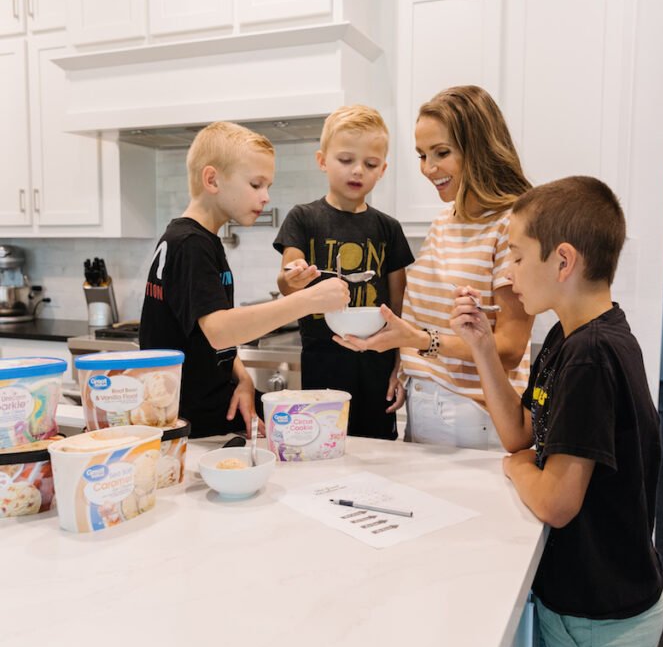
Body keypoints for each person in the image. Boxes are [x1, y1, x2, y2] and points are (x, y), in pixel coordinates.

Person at [450, 176, 663, 647]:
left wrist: (519, 471)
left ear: (562, 260)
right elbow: (521, 432)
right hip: (577, 604)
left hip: (598, 617)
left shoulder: (592, 359)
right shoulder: (566, 340)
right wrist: (484, 350)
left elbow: (556, 501)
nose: (508, 272)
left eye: (515, 255)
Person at [336, 85, 533, 449]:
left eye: (442, 152)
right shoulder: (445, 219)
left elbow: (509, 349)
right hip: (423, 401)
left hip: (473, 414)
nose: (429, 169)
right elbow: (425, 315)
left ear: (479, 148)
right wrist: (403, 363)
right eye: (422, 155)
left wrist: (420, 342)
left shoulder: (512, 225)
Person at [139, 121, 348, 438]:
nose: (265, 197)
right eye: (255, 184)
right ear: (212, 180)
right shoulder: (190, 244)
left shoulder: (200, 239)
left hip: (211, 411)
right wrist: (309, 300)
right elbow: (220, 331)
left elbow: (205, 335)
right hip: (191, 425)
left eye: (268, 186)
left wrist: (243, 379)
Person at [273, 105, 414, 440]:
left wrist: (400, 363)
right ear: (322, 161)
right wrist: (293, 277)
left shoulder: (388, 228)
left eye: (370, 164)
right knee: (321, 447)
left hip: (376, 364)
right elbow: (286, 283)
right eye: (346, 160)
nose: (358, 171)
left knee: (377, 453)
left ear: (383, 170)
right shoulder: (303, 219)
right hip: (322, 362)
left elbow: (400, 305)